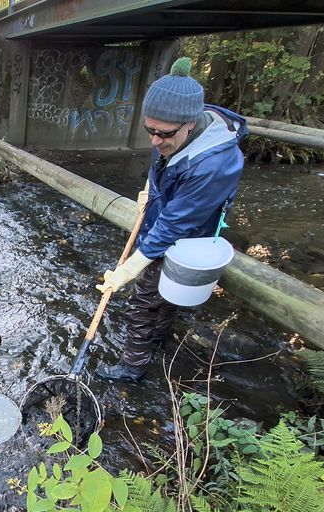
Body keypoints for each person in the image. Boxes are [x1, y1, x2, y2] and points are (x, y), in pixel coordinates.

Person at [95, 57, 248, 382]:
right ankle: (158, 342)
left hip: (190, 238)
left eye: (161, 134)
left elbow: (175, 225)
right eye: (148, 130)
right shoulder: (169, 132)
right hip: (168, 220)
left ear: (190, 124)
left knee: (143, 303)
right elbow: (161, 162)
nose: (153, 140)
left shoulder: (214, 164)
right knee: (162, 297)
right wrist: (148, 189)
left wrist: (129, 269)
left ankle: (133, 367)